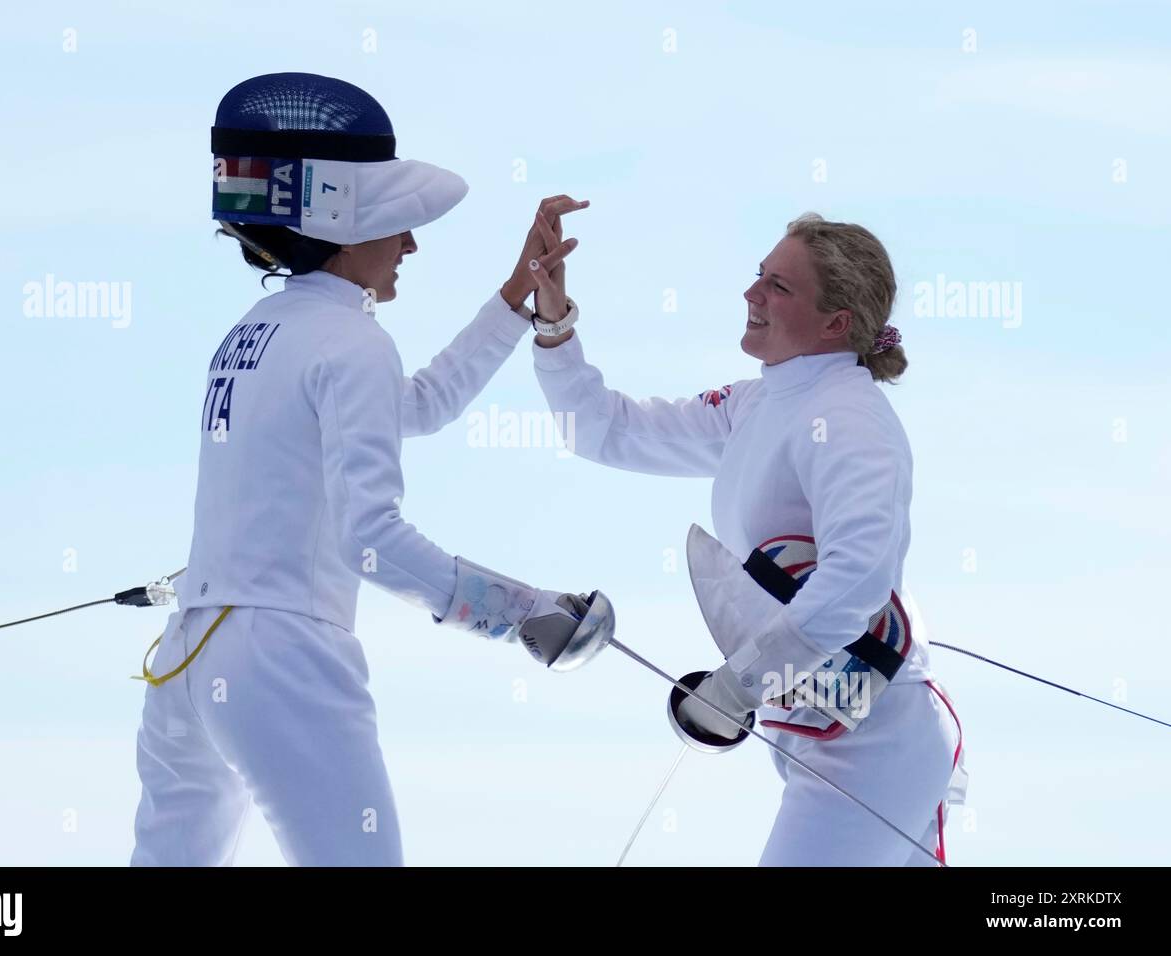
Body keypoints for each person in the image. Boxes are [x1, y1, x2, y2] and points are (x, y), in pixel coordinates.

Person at [130, 73, 604, 867]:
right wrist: (523, 612)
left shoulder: (257, 331)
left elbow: (419, 405)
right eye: (399, 224)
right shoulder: (348, 341)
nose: (412, 244)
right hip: (283, 657)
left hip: (186, 660)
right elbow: (371, 542)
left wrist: (519, 294)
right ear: (345, 225)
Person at [527, 211, 969, 865]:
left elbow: (858, 579)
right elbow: (600, 429)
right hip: (817, 725)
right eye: (759, 276)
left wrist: (742, 683)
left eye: (779, 287)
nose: (751, 294)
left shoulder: (850, 421)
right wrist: (556, 321)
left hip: (876, 736)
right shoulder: (757, 404)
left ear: (835, 322)